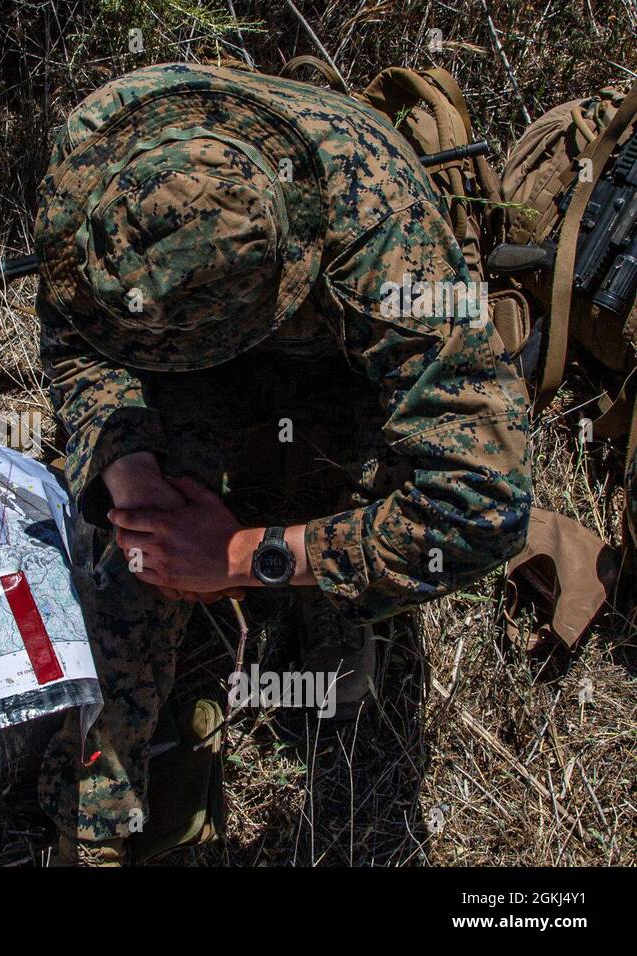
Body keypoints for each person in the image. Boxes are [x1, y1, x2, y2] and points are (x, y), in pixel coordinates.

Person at [31, 63, 532, 864]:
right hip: (193, 362)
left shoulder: (386, 244)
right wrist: (128, 462)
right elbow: (76, 336)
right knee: (131, 548)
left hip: (333, 367)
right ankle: (94, 818)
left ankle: (326, 602)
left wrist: (252, 556)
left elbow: (484, 498)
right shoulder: (99, 156)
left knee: (342, 484)